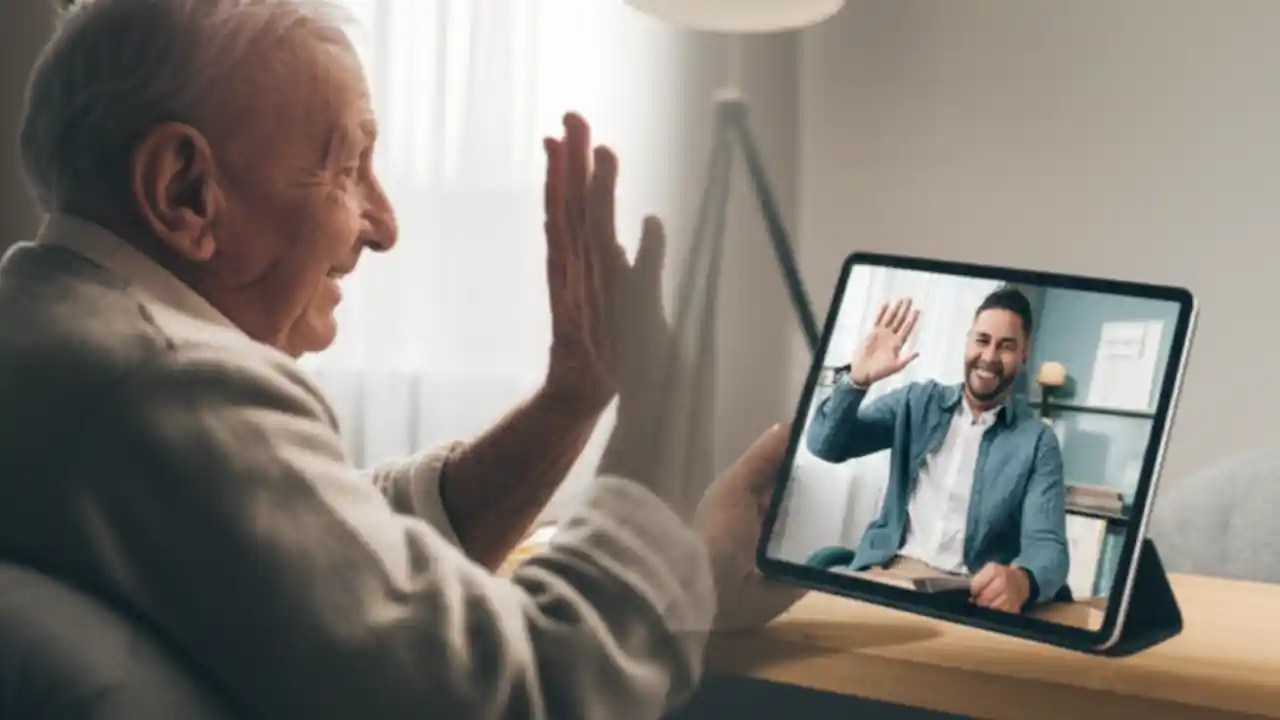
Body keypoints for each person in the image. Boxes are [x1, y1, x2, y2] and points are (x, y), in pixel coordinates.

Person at [0, 1, 802, 717]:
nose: (383, 226)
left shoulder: (50, 332)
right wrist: (662, 455)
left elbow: (333, 562)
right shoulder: (166, 387)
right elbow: (537, 697)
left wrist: (574, 396)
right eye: (347, 168)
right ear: (183, 191)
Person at [806, 288, 1069, 612]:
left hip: (967, 595)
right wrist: (856, 381)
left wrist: (1023, 580)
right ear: (968, 340)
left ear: (1024, 354)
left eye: (1006, 346)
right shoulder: (917, 402)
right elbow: (824, 445)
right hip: (888, 575)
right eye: (982, 340)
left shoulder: (1038, 443)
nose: (988, 357)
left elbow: (1048, 546)